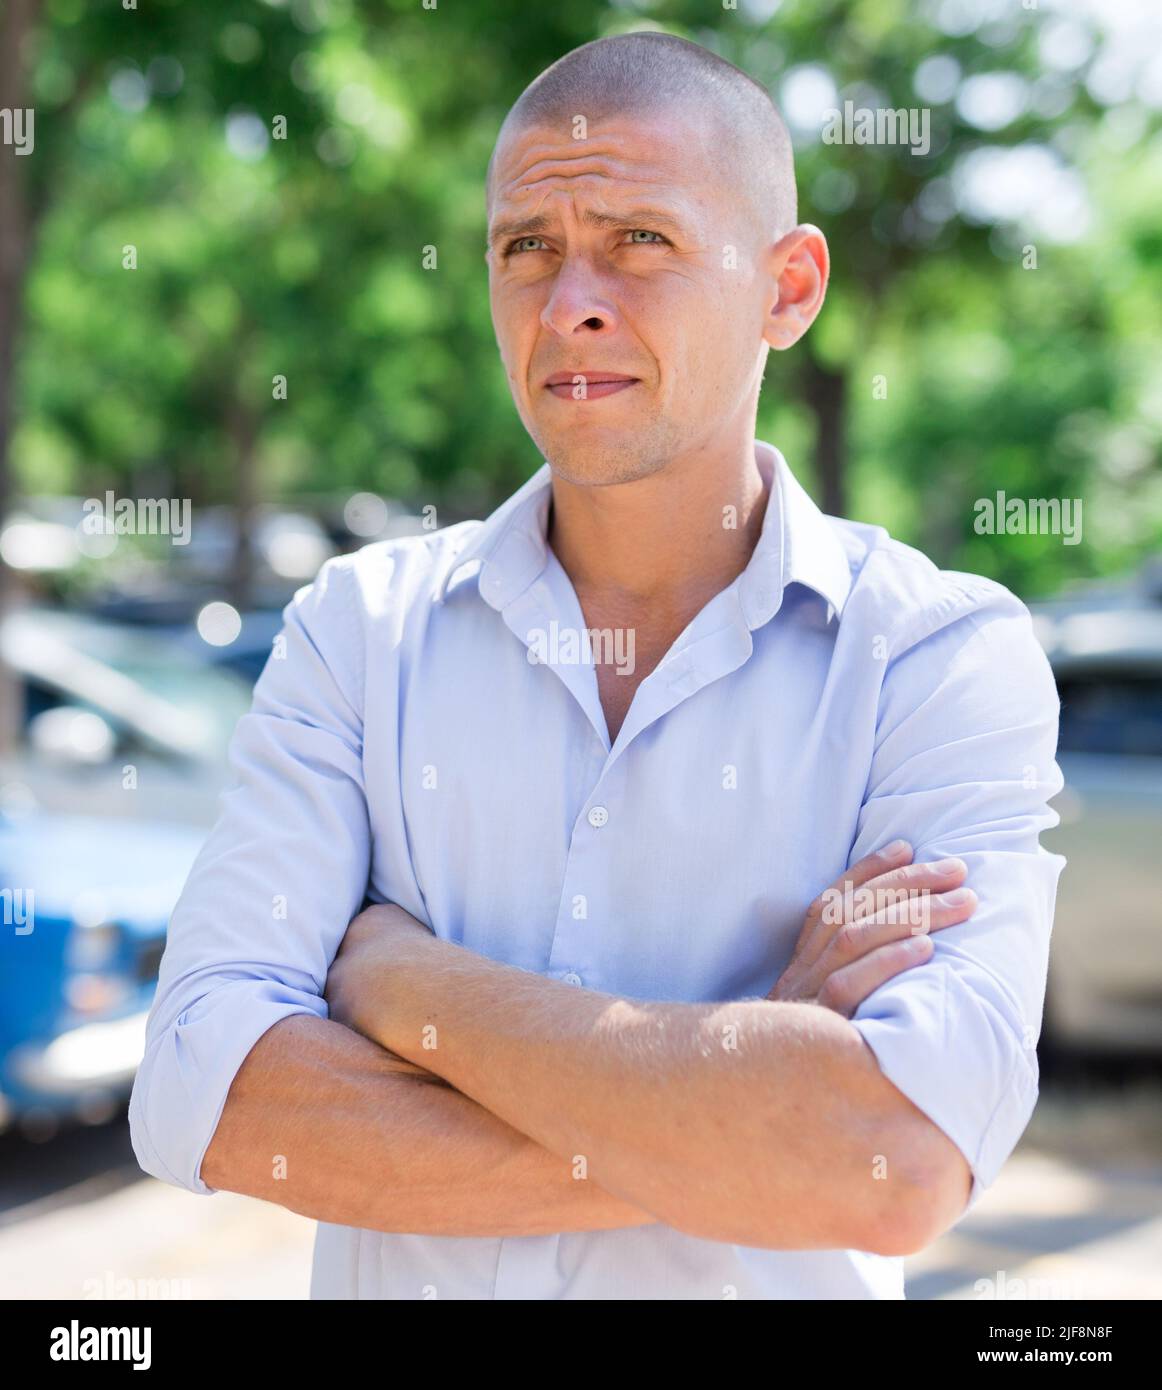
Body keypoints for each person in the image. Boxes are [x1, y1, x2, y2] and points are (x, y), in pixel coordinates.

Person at [129, 32, 1066, 1299]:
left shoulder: (938, 658)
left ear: (787, 289)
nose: (572, 298)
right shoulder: (361, 628)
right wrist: (741, 1094)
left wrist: (402, 981)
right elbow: (206, 1092)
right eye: (527, 246)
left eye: (641, 240)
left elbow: (889, 1161)